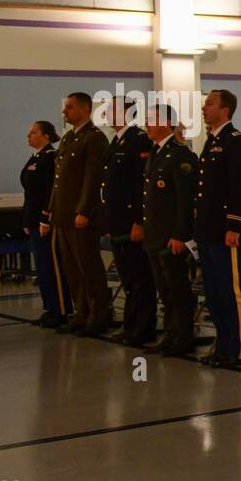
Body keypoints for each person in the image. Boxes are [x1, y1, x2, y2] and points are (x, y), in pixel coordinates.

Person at [194, 89, 241, 366]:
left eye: (209, 103)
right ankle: (223, 344)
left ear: (225, 110)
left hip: (226, 230)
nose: (204, 107)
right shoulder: (212, 142)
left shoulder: (236, 142)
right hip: (208, 230)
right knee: (215, 291)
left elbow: (240, 189)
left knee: (232, 291)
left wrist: (235, 225)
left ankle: (238, 348)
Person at [45, 91, 110, 336]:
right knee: (72, 268)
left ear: (84, 110)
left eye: (70, 108)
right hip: (63, 214)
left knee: (89, 268)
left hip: (80, 216)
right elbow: (59, 179)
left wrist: (84, 210)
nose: (65, 112)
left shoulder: (94, 138)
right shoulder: (69, 138)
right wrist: (52, 209)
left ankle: (99, 316)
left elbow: (92, 180)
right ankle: (81, 314)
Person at [142, 104, 198, 357]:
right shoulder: (156, 152)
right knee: (164, 289)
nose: (146, 125)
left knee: (177, 289)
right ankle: (171, 335)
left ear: (166, 123)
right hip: (155, 233)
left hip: (171, 235)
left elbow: (185, 200)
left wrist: (181, 235)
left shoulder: (179, 154)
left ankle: (184, 337)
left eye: (151, 120)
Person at [101, 98, 157, 346]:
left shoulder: (138, 140)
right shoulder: (117, 141)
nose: (107, 113)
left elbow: (140, 185)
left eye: (112, 109)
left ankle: (143, 328)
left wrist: (139, 221)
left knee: (140, 278)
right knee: (128, 278)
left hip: (131, 222)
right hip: (117, 222)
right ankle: (131, 325)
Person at [21, 120, 72, 327]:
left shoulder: (50, 158)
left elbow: (51, 191)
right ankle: (49, 308)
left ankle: (61, 309)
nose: (28, 135)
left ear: (46, 136)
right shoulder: (36, 157)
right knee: (41, 268)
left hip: (45, 221)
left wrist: (45, 217)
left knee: (52, 266)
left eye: (33, 132)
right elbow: (30, 193)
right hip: (33, 219)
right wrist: (27, 220)